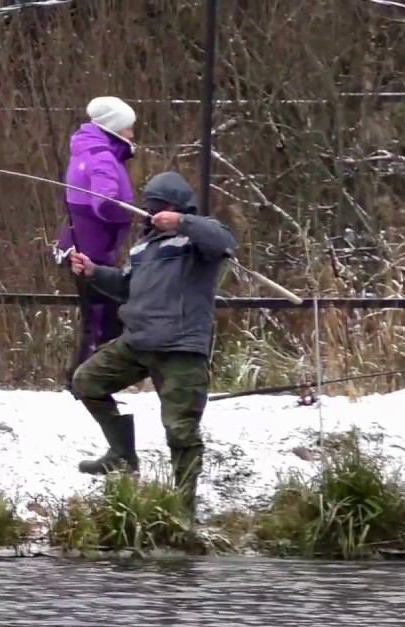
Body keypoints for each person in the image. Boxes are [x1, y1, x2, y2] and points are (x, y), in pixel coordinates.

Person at [66, 170, 237, 515]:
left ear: (178, 208)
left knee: (181, 430)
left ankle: (182, 510)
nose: (156, 213)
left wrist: (183, 222)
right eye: (153, 208)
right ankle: (122, 455)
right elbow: (126, 287)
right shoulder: (142, 247)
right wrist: (94, 272)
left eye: (164, 208)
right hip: (136, 341)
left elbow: (223, 241)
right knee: (87, 381)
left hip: (181, 347)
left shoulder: (196, 239)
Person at [55, 96, 139, 389]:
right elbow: (104, 202)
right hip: (92, 252)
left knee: (100, 317)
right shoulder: (102, 156)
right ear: (115, 127)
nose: (132, 134)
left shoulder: (85, 149)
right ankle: (83, 382)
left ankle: (88, 379)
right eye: (129, 128)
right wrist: (133, 213)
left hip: (81, 245)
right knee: (103, 319)